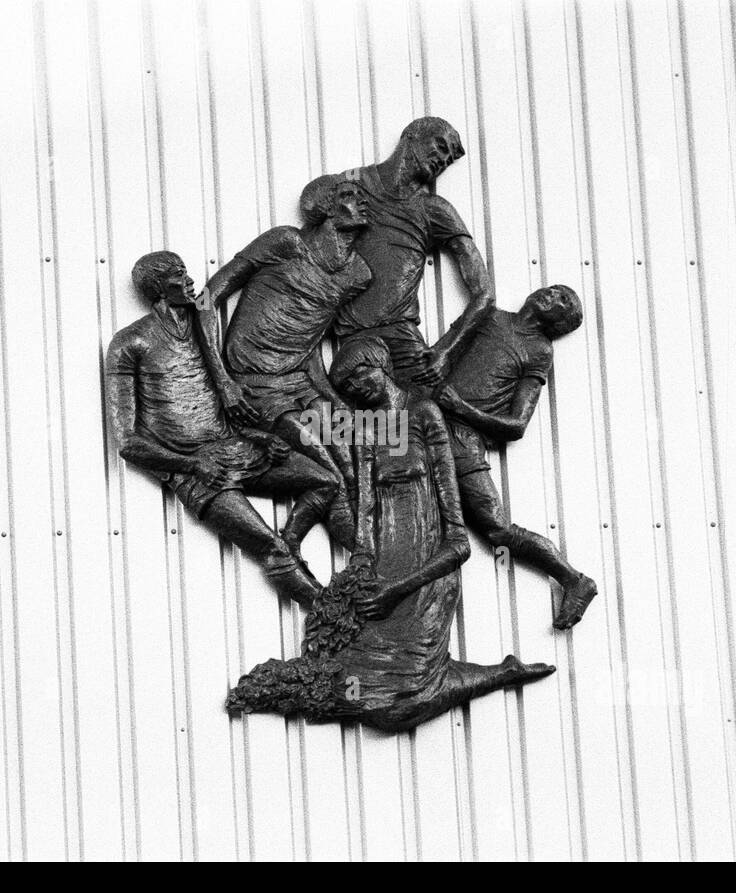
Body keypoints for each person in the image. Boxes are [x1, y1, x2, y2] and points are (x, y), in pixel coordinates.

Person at [227, 338, 555, 732]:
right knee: (368, 689)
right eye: (346, 385)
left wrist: (394, 591)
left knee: (395, 705)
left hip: (426, 571)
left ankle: (496, 674)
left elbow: (458, 543)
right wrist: (362, 561)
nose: (356, 388)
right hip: (383, 568)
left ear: (380, 364)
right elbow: (366, 505)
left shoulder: (422, 414)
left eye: (359, 375)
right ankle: (494, 673)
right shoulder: (371, 428)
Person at [104, 251, 341, 606]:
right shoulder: (129, 344)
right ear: (157, 288)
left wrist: (257, 436)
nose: (188, 279)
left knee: (327, 480)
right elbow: (128, 444)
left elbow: (221, 399)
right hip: (194, 471)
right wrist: (192, 465)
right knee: (268, 546)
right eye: (177, 275)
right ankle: (330, 616)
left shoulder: (203, 322)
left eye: (186, 270)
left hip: (235, 447)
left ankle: (293, 541)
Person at [196, 176, 373, 553]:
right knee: (328, 467)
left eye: (361, 196)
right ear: (325, 208)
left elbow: (310, 336)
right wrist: (223, 382)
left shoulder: (357, 273)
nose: (361, 202)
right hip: (253, 381)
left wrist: (328, 396)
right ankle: (350, 556)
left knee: (351, 455)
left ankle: (369, 554)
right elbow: (208, 298)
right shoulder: (286, 243)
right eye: (348, 196)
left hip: (299, 381)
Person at [434, 285, 597, 629]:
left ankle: (572, 578)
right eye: (554, 289)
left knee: (497, 530)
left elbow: (516, 425)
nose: (551, 294)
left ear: (561, 323)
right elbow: (444, 351)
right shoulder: (489, 316)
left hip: (463, 437)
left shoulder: (539, 352)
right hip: (424, 416)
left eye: (562, 300)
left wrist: (462, 409)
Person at [315, 117, 494, 386]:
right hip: (351, 340)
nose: (442, 161)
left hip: (402, 341)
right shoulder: (350, 188)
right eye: (441, 147)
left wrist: (447, 350)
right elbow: (311, 230)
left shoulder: (435, 209)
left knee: (423, 419)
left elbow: (485, 293)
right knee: (357, 425)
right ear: (410, 135)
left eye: (449, 160)